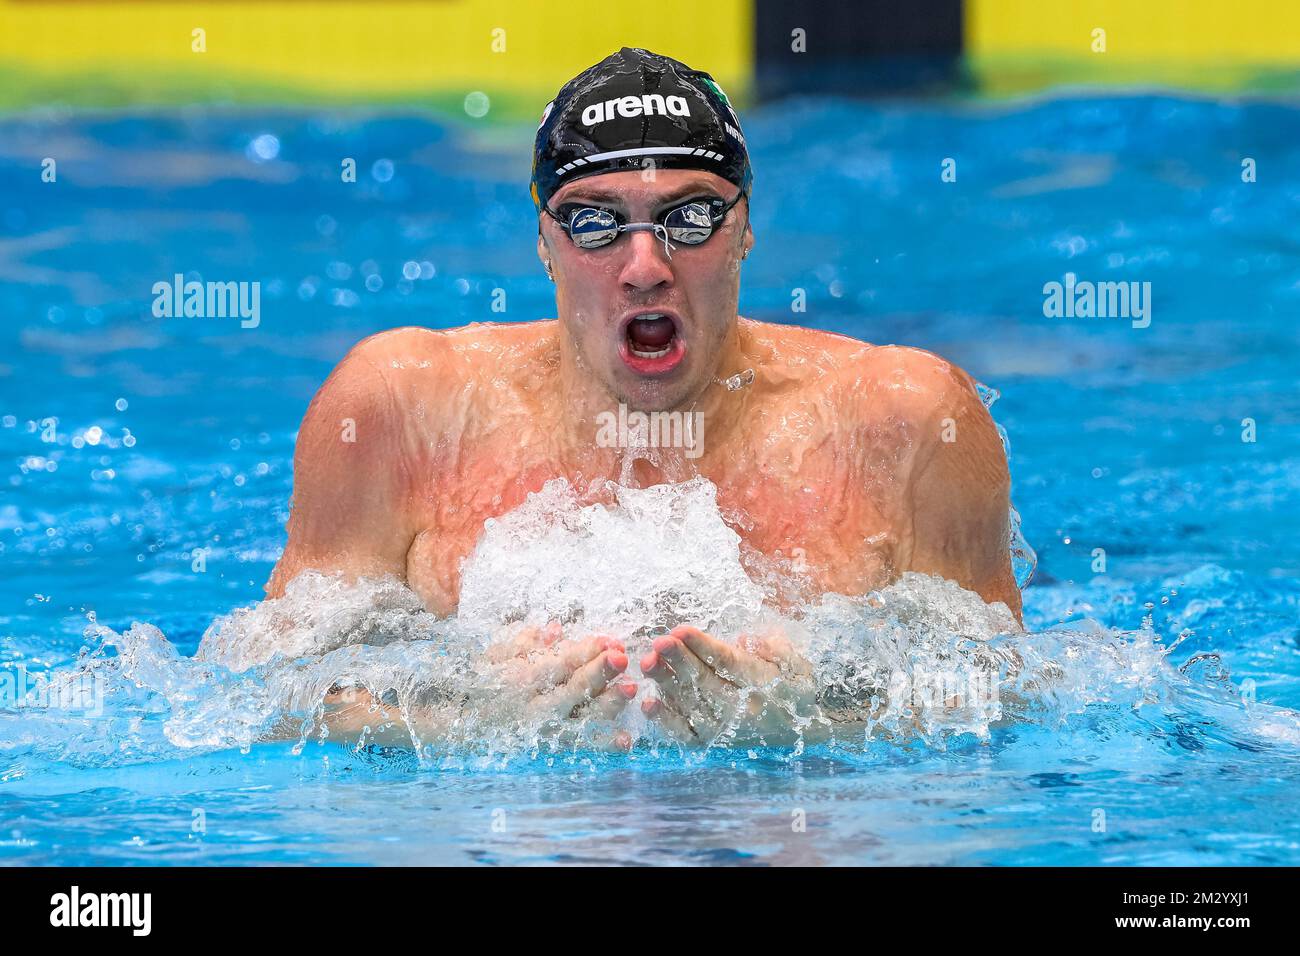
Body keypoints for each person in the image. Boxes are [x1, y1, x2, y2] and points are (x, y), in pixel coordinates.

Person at [266, 48, 1023, 746]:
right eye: (596, 222)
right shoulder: (398, 413)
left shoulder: (907, 422)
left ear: (745, 228)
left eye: (689, 218)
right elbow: (270, 700)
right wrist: (465, 721)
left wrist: (816, 721)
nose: (644, 266)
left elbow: (1010, 700)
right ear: (544, 243)